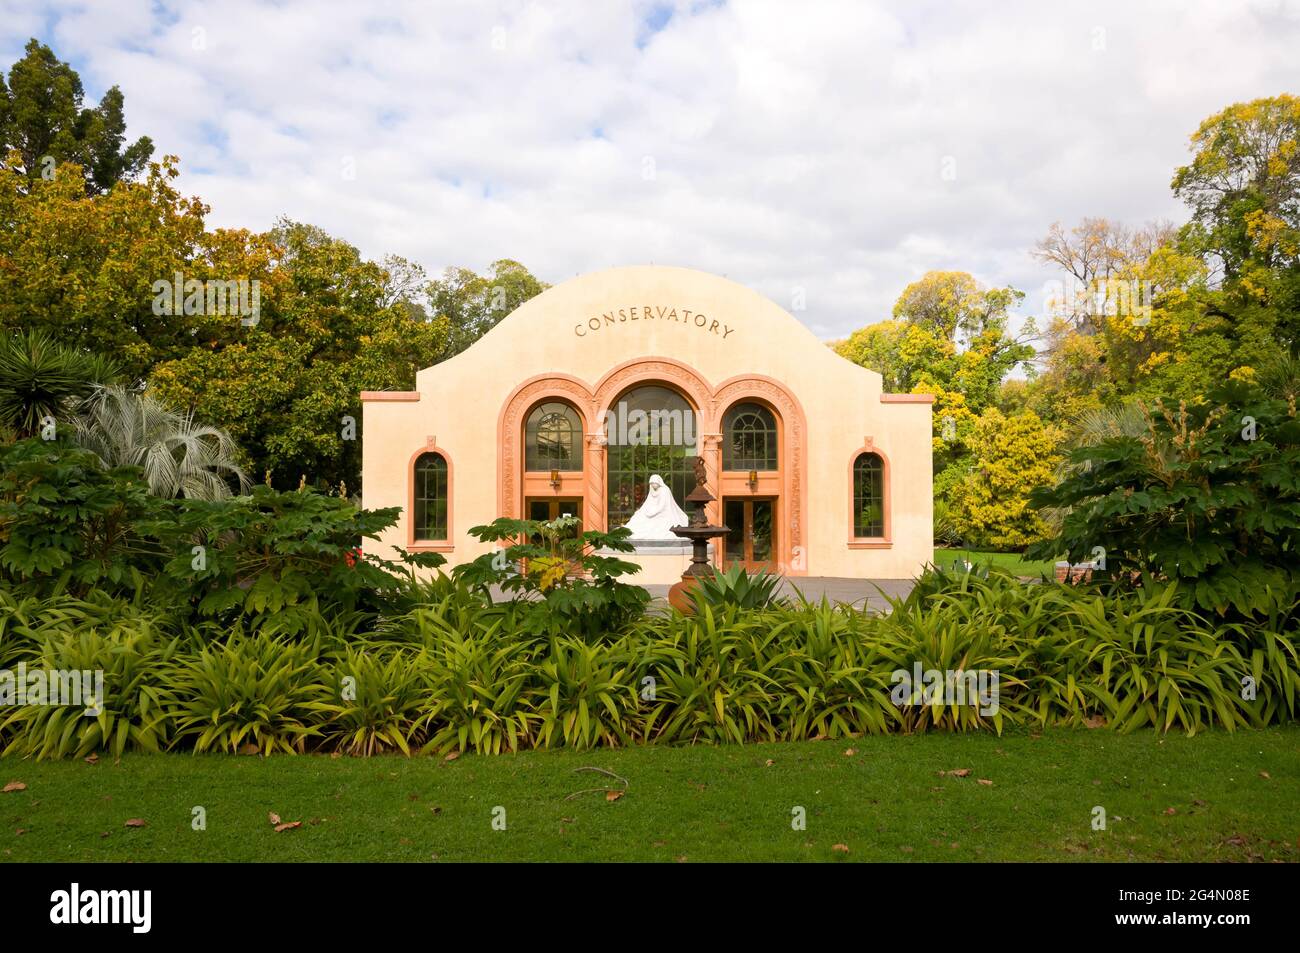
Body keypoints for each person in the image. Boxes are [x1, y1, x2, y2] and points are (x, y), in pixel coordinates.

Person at [623, 474, 689, 540]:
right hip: (653, 511)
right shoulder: (652, 490)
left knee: (650, 523)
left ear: (659, 482)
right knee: (638, 516)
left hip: (663, 513)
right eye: (651, 483)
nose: (653, 485)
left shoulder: (664, 490)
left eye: (654, 483)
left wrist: (652, 513)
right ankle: (627, 531)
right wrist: (642, 511)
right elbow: (648, 503)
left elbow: (662, 506)